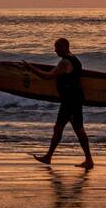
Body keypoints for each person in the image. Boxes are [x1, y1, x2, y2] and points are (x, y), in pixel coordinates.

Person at [23, 38, 94, 169]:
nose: (55, 50)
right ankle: (51, 157)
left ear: (64, 47)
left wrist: (31, 68)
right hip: (74, 99)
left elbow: (47, 76)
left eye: (57, 47)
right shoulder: (75, 60)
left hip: (70, 100)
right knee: (70, 129)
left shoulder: (65, 62)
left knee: (68, 129)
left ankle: (50, 157)